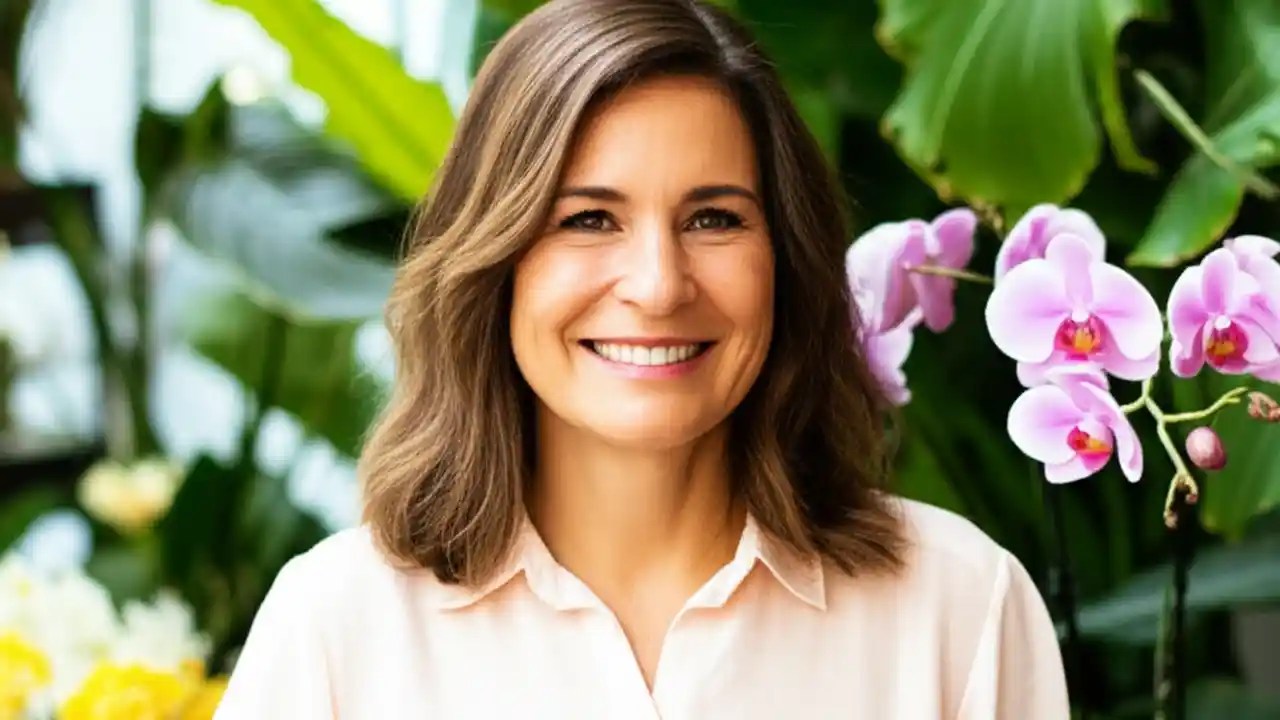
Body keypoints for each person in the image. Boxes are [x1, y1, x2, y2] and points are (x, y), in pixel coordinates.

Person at [214, 0, 1070, 717]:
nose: (659, 286)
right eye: (587, 219)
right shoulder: (336, 630)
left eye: (714, 218)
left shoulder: (961, 610)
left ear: (786, 258)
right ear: (494, 261)